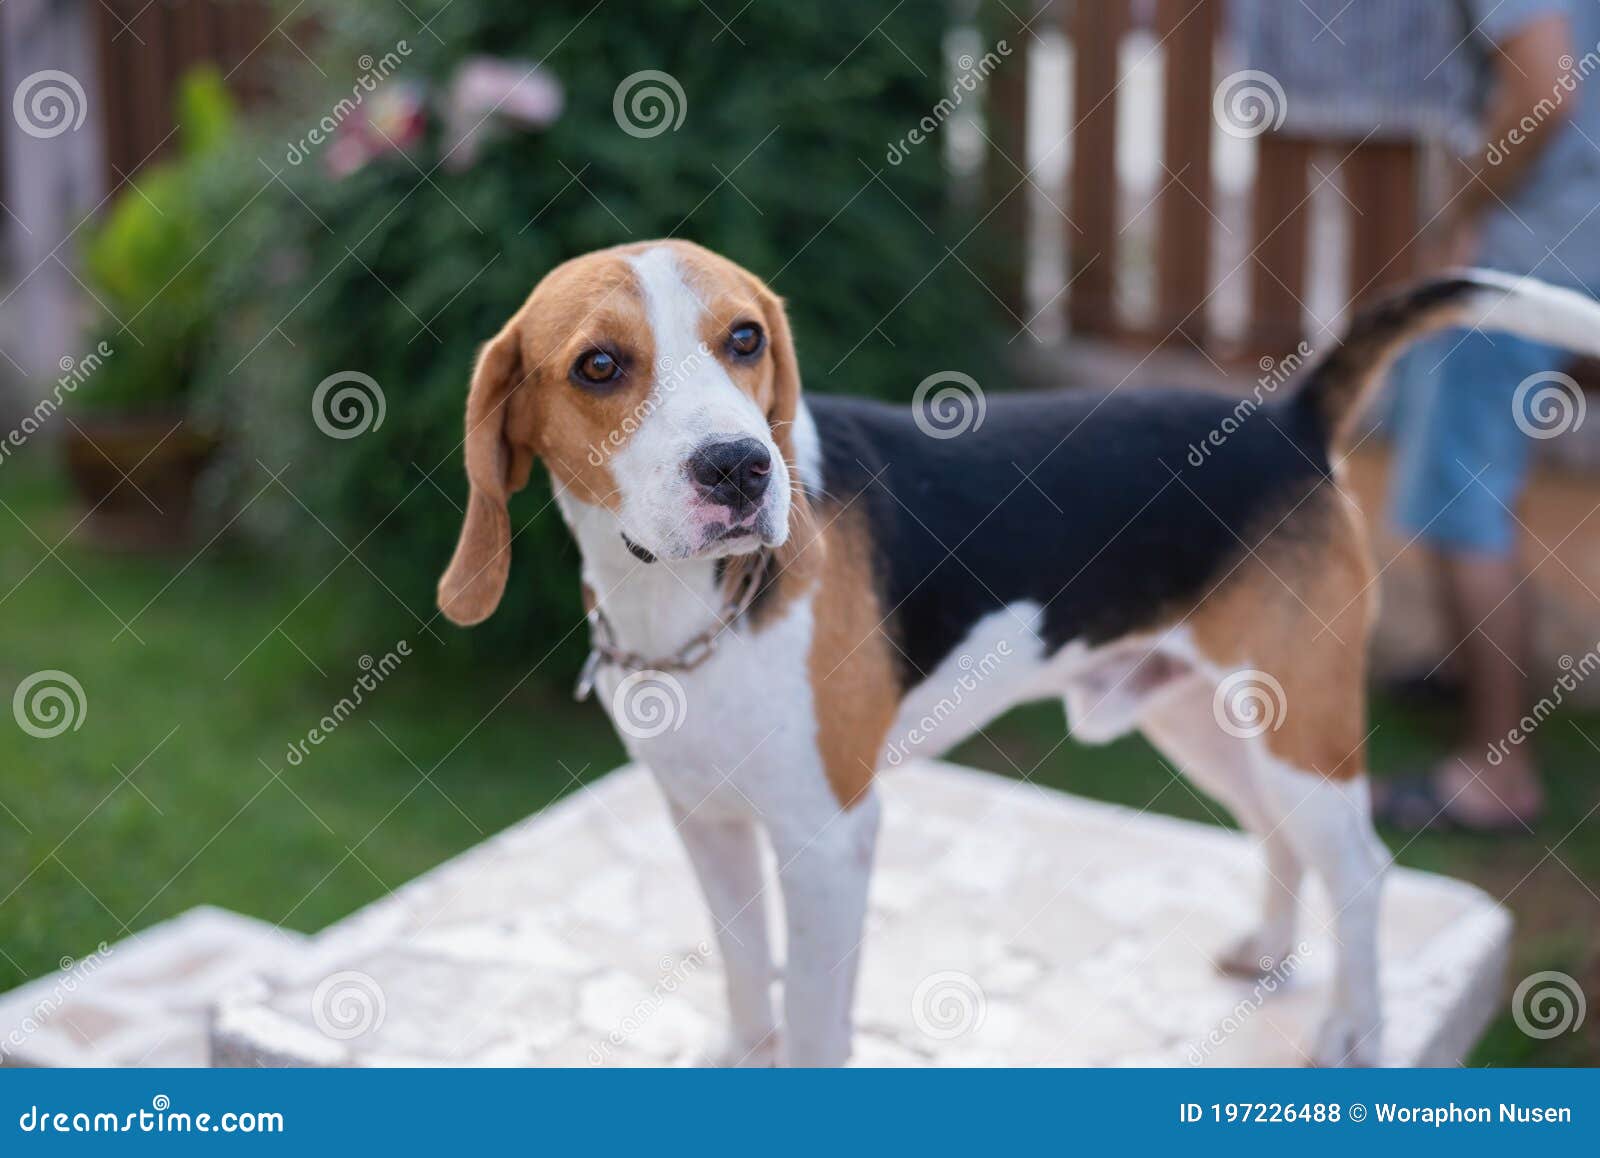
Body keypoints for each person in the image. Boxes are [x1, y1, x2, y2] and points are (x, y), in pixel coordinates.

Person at [1380, 0, 1599, 832]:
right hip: (1580, 245)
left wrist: (1459, 211)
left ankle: (1498, 771)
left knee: (1459, 498)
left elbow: (1544, 89)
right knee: (1480, 483)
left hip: (1526, 256)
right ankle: (1465, 671)